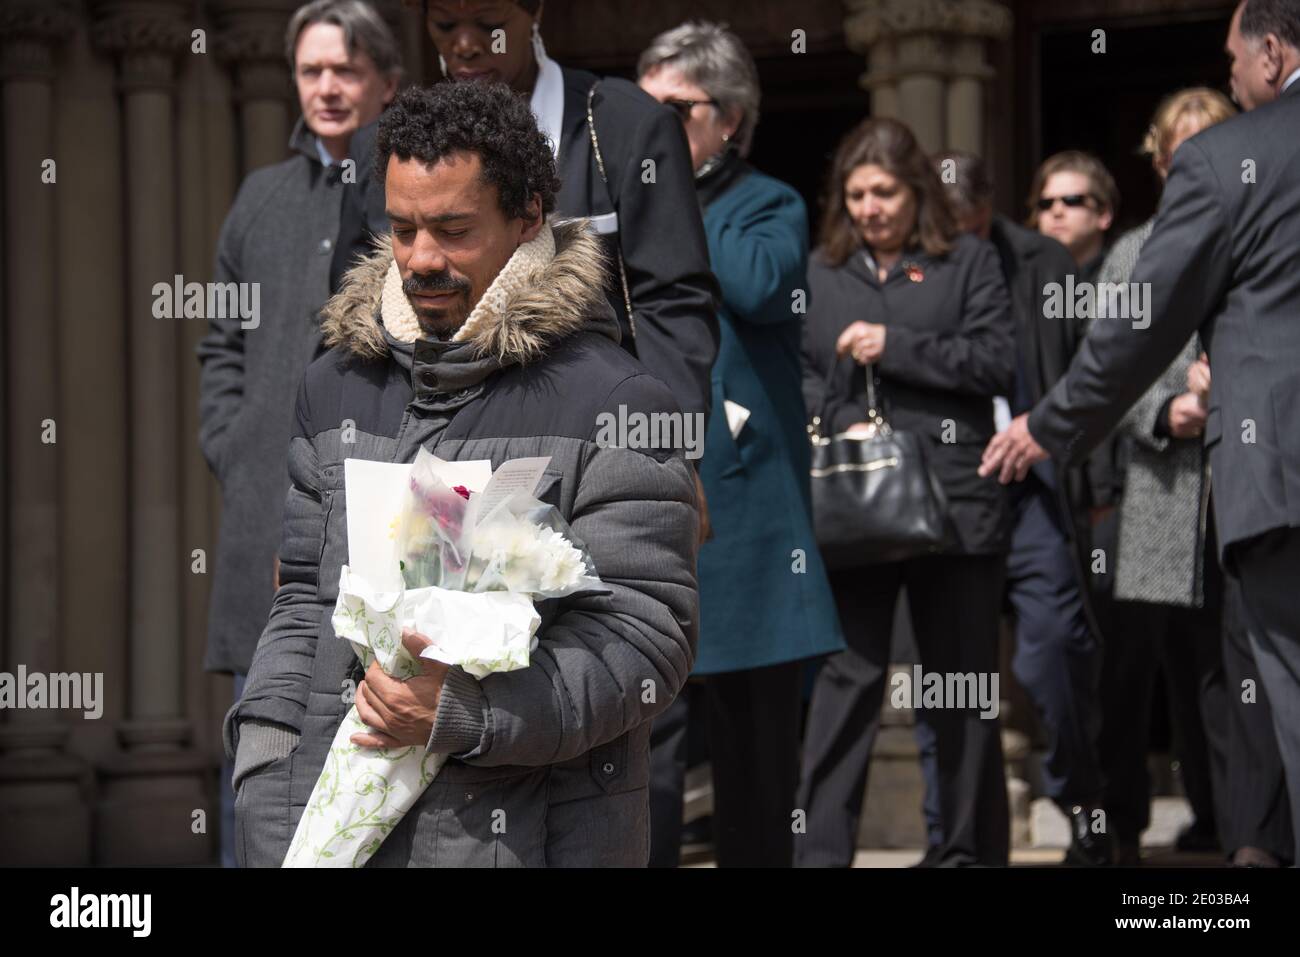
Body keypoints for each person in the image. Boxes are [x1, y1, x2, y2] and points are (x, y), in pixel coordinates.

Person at [225, 80, 700, 867]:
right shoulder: (334, 385)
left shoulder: (619, 402)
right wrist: (266, 761)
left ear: (527, 219)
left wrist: (469, 712)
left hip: (534, 837)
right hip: (328, 831)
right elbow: (302, 602)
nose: (421, 259)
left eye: (452, 229)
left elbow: (645, 640)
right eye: (403, 228)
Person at [983, 0, 1300, 866]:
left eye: (1234, 61)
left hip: (1277, 484)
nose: (1233, 80)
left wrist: (1048, 425)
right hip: (1176, 504)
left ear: (1272, 52)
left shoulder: (1240, 155)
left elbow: (1133, 329)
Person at [635, 21, 844, 868]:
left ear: (729, 116)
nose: (650, 132)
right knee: (643, 743)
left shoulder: (768, 202)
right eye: (639, 114)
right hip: (649, 493)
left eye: (672, 112)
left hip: (749, 511)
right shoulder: (622, 212)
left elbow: (761, 285)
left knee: (756, 757)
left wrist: (675, 200)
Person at [197, 0, 400, 867]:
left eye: (346, 70)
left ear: (386, 80)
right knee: (264, 731)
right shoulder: (260, 196)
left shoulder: (415, 185)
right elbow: (219, 340)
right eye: (312, 70)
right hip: (260, 513)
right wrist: (232, 438)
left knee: (371, 740)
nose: (326, 87)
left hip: (380, 507)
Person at [797, 118, 1015, 868]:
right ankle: (819, 854)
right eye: (855, 193)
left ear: (914, 191)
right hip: (853, 505)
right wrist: (833, 422)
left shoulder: (969, 262)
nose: (869, 207)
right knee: (843, 683)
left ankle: (961, 853)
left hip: (955, 508)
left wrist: (899, 347)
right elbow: (795, 370)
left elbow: (996, 360)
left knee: (956, 688)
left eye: (884, 191)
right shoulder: (820, 272)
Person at [349, 0, 720, 428]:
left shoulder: (627, 127)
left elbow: (673, 302)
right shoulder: (387, 147)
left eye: (490, 24)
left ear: (536, 12)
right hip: (432, 438)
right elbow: (363, 317)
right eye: (445, 24)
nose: (465, 44)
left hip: (597, 433)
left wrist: (672, 444)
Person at [928, 151, 1108, 866]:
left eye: (969, 228)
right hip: (948, 489)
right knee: (950, 670)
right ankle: (955, 841)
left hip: (1036, 489)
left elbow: (1095, 374)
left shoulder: (1044, 262)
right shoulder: (916, 262)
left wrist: (1051, 438)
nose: (959, 244)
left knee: (1055, 652)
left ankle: (1084, 806)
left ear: (990, 209)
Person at [1093, 88, 1239, 866]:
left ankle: (1241, 823)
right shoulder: (1132, 253)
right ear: (1157, 163)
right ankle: (1145, 822)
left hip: (1250, 489)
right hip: (1162, 492)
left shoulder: (1267, 237)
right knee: (1156, 670)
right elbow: (1105, 373)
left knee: (1235, 669)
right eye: (1177, 154)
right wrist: (1167, 410)